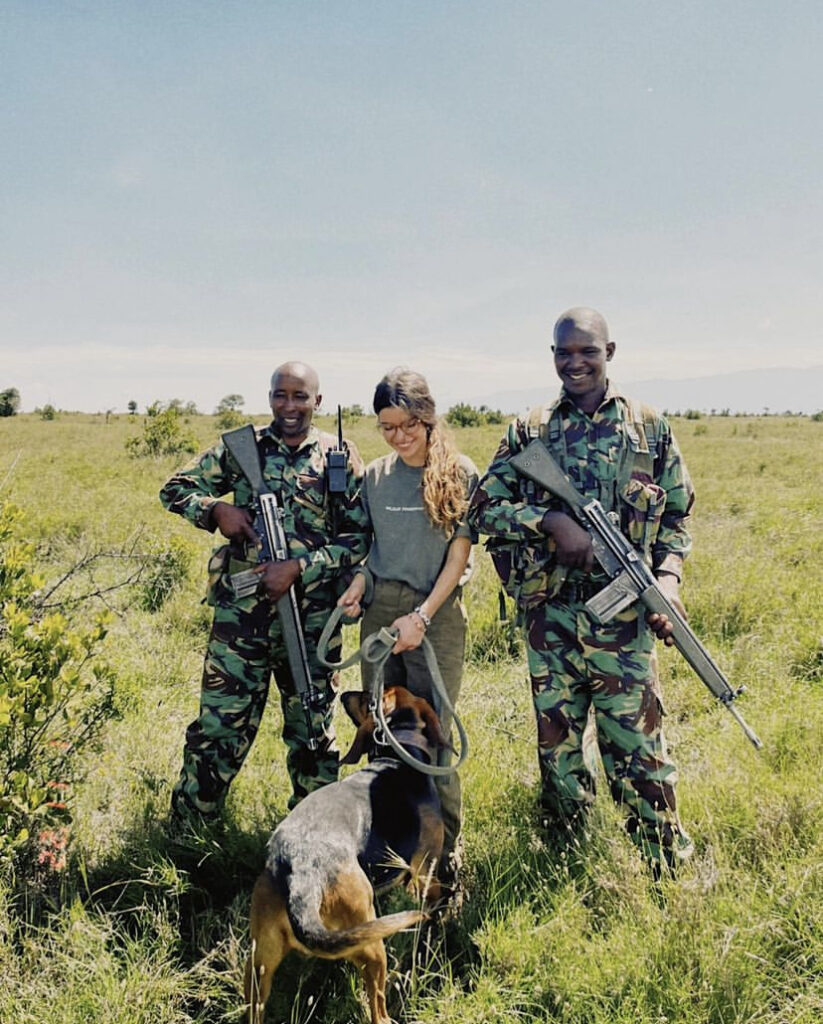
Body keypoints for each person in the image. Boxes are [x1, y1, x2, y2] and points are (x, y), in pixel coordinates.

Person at [468, 308, 694, 873]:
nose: (575, 362)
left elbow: (677, 519)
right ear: (552, 356)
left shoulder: (649, 427)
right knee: (558, 746)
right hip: (550, 615)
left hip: (625, 618)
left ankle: (663, 862)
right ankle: (568, 856)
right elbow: (481, 509)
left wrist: (667, 579)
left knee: (638, 745)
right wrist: (549, 522)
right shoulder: (529, 430)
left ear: (610, 352)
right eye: (563, 352)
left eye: (587, 351)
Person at [160, 361, 369, 828]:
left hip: (312, 624)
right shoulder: (243, 448)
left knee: (314, 734)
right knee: (217, 732)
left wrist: (299, 568)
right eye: (280, 395)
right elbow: (175, 489)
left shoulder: (338, 455)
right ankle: (186, 840)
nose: (289, 406)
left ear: (318, 400)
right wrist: (216, 510)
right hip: (242, 624)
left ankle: (316, 839)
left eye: (300, 396)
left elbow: (359, 538)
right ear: (269, 396)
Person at [337, 368, 478, 895]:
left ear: (428, 417)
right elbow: (370, 551)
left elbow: (458, 556)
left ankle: (443, 859)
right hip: (380, 615)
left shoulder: (461, 473)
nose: (398, 436)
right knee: (382, 733)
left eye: (407, 424)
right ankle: (389, 852)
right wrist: (358, 582)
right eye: (386, 427)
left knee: (433, 737)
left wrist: (420, 618)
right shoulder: (374, 476)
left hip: (434, 618)